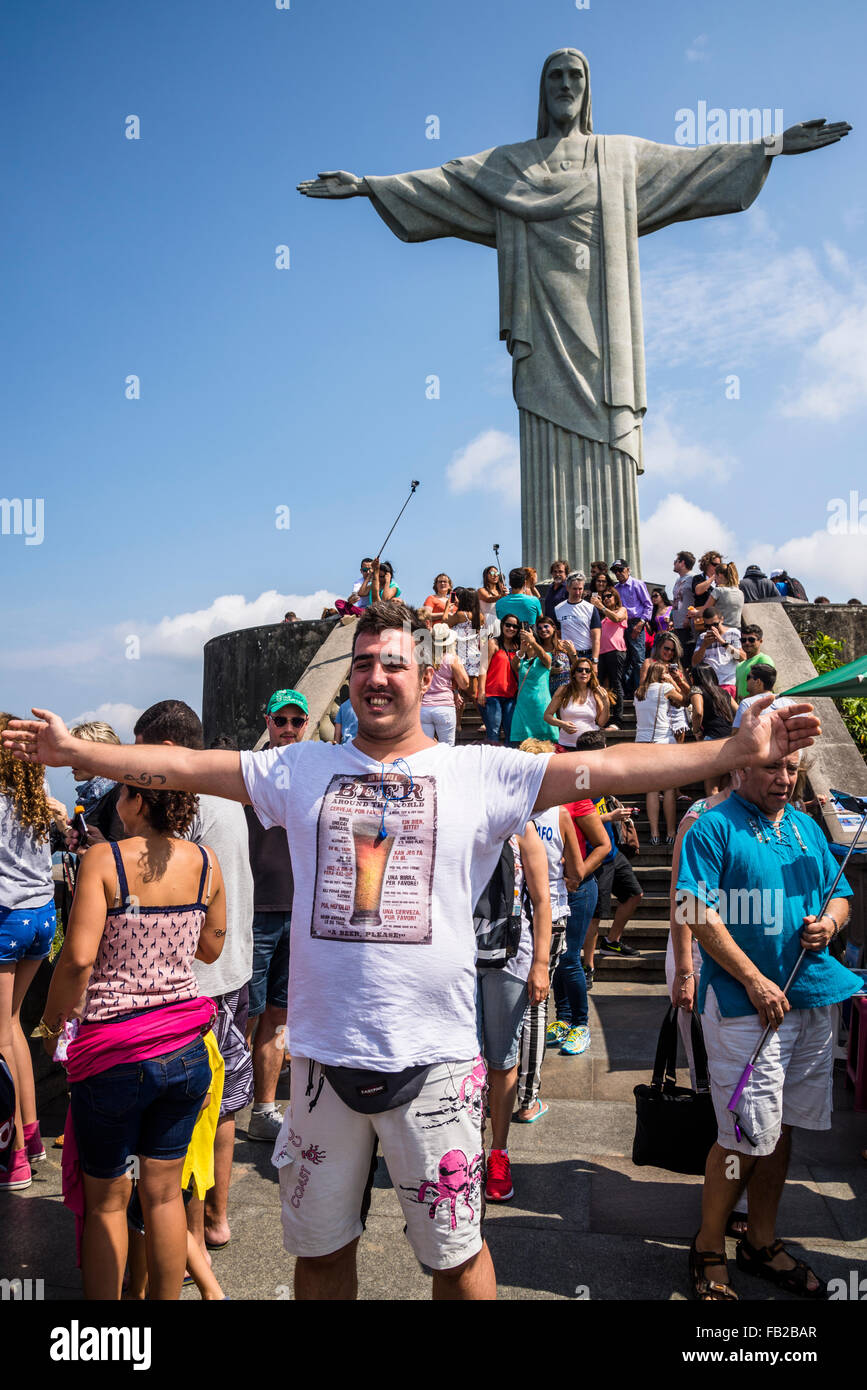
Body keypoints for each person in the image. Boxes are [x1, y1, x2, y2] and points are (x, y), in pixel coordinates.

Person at [4, 600, 821, 1301]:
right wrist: (79, 754)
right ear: (350, 678)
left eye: (392, 663)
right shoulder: (300, 768)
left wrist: (726, 754)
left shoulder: (481, 771)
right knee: (317, 1254)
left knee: (457, 1256)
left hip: (434, 1063)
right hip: (323, 1065)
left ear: (423, 675)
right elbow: (183, 761)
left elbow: (605, 764)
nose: (373, 677)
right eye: (362, 664)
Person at [676, 748, 862, 1302]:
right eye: (773, 768)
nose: (784, 779)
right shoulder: (712, 828)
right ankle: (708, 1246)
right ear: (741, 769)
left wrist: (828, 923)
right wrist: (754, 979)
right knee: (742, 1135)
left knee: (780, 1129)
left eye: (792, 769)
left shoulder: (805, 825)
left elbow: (844, 897)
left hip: (811, 998)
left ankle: (760, 1240)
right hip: (743, 1007)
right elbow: (691, 909)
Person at [40, 779, 226, 1298]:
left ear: (139, 800)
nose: (117, 808)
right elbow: (211, 947)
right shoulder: (207, 862)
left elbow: (78, 959)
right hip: (186, 1046)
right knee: (166, 1197)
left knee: (107, 1201)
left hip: (114, 1050)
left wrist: (53, 1024)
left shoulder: (105, 860)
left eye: (122, 796)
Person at [133, 701, 255, 1257]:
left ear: (163, 749)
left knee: (187, 1113)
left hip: (194, 982)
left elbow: (170, 888)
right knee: (224, 1105)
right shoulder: (226, 788)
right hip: (235, 970)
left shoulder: (180, 798)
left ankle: (184, 1237)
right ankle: (216, 1220)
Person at [476, 822, 551, 1202]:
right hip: (457, 959)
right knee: (461, 1061)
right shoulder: (459, 814)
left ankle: (498, 1153)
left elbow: (541, 901)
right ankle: (468, 1150)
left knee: (502, 1060)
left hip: (509, 960)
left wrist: (540, 963)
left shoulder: (524, 830)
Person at [515, 739, 585, 1121]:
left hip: (509, 915)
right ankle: (527, 1099)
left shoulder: (506, 811)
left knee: (502, 1008)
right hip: (553, 911)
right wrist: (566, 879)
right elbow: (577, 869)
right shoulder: (558, 814)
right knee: (537, 1009)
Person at [0, 713, 55, 1191]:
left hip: (7, 919)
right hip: (41, 917)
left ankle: (11, 1156)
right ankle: (32, 1136)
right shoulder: (35, 799)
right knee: (13, 1022)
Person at [549, 791, 610, 1054]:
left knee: (570, 956)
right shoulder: (530, 801)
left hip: (579, 889)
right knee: (554, 957)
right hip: (548, 889)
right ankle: (562, 1018)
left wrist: (580, 872)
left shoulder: (576, 800)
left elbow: (603, 844)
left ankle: (581, 1025)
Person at [586, 794, 644, 964]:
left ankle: (611, 942)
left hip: (613, 854)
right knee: (595, 917)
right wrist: (611, 816)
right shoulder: (580, 790)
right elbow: (580, 819)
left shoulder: (599, 787)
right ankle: (587, 966)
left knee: (634, 894)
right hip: (595, 857)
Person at [633, 662, 684, 844]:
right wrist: (674, 680)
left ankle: (654, 834)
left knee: (652, 789)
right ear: (662, 675)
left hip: (642, 743)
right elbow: (684, 700)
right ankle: (671, 833)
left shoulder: (638, 692)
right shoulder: (665, 687)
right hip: (661, 741)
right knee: (669, 788)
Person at [689, 668, 738, 795]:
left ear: (695, 677)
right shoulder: (724, 692)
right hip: (729, 740)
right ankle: (726, 814)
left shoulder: (696, 690)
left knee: (712, 788)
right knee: (726, 788)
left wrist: (696, 731)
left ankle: (713, 814)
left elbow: (698, 712)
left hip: (712, 740)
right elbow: (739, 711)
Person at [544, 657, 609, 750]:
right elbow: (547, 716)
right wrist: (562, 724)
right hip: (567, 745)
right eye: (580, 670)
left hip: (590, 745)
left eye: (587, 670)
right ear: (574, 673)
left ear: (591, 674)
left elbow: (601, 722)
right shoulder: (563, 690)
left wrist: (606, 702)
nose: (584, 673)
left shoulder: (595, 693)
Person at [420, 625, 469, 745]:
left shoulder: (421, 658)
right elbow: (465, 684)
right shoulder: (452, 659)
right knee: (448, 749)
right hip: (444, 707)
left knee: (425, 749)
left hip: (424, 707)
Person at [611, 559, 652, 696]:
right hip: (621, 624)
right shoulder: (615, 589)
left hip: (635, 622)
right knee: (625, 658)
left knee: (638, 658)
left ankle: (641, 690)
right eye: (615, 571)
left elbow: (648, 605)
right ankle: (629, 691)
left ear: (628, 569)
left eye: (620, 570)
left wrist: (641, 624)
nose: (618, 573)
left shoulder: (637, 584)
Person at [509, 622, 554, 744]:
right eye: (523, 639)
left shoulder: (545, 658)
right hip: (523, 708)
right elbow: (514, 665)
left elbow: (546, 658)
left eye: (528, 638)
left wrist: (533, 642)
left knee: (546, 746)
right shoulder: (522, 661)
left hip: (541, 708)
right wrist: (521, 651)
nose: (526, 641)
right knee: (523, 747)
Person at [479, 614, 521, 744]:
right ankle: (493, 763)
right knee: (493, 732)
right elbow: (483, 667)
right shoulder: (493, 643)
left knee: (511, 733)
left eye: (515, 626)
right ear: (502, 625)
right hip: (492, 694)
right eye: (508, 625)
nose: (511, 628)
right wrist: (481, 691)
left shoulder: (519, 647)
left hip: (511, 695)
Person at [691, 610, 745, 699]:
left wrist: (722, 642)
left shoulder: (733, 633)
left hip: (729, 683)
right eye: (707, 626)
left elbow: (742, 658)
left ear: (722, 620)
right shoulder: (702, 637)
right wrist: (704, 646)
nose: (712, 628)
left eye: (715, 624)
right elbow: (694, 663)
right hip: (710, 685)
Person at [448, 587, 484, 721]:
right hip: (474, 655)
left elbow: (445, 623)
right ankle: (483, 720)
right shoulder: (480, 616)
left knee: (459, 692)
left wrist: (448, 606)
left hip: (460, 656)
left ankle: (458, 723)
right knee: (473, 694)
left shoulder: (460, 615)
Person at [596, 587, 628, 729]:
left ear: (615, 597)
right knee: (600, 685)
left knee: (616, 684)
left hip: (616, 651)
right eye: (604, 597)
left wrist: (601, 606)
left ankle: (617, 719)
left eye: (609, 596)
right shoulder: (603, 616)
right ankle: (602, 717)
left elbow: (617, 618)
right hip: (602, 653)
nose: (606, 598)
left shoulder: (621, 610)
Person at [554, 571, 601, 665]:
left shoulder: (591, 608)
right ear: (567, 588)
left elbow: (596, 638)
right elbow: (556, 634)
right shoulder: (558, 608)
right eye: (574, 589)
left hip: (586, 655)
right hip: (565, 656)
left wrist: (595, 661)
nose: (578, 592)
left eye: (580, 589)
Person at [535, 614, 575, 696]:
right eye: (539, 628)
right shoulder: (538, 650)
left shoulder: (564, 644)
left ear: (553, 627)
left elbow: (576, 665)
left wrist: (573, 653)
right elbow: (535, 673)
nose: (543, 630)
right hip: (548, 692)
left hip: (567, 689)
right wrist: (549, 671)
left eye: (546, 626)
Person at [735, 624, 775, 700]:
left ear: (760, 641)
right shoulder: (739, 665)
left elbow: (767, 688)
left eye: (751, 640)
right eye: (743, 640)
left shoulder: (764, 659)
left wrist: (747, 700)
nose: (747, 643)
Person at [671, 550, 697, 659]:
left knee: (687, 658)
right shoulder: (678, 579)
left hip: (688, 626)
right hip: (677, 626)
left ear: (682, 563)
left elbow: (699, 600)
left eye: (676, 561)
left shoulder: (693, 578)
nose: (674, 563)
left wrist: (688, 617)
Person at [704, 561, 744, 629]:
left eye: (715, 576)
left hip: (722, 629)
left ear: (720, 575)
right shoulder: (740, 592)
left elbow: (705, 610)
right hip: (737, 630)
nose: (714, 580)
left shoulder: (718, 590)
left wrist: (695, 613)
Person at [478, 565, 506, 635]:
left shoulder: (500, 592)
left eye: (497, 574)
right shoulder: (481, 590)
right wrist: (501, 596)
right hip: (486, 620)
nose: (495, 576)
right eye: (492, 573)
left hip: (498, 621)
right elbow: (488, 599)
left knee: (497, 644)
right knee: (484, 645)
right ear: (486, 576)